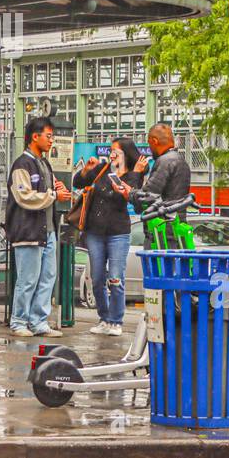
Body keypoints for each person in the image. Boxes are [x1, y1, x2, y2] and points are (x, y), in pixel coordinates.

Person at [5, 116, 72, 337]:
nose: (52, 141)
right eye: (49, 136)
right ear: (35, 137)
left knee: (47, 278)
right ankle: (19, 321)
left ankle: (38, 321)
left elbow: (43, 192)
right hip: (28, 232)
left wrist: (54, 189)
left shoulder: (44, 163)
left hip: (48, 230)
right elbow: (24, 196)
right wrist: (53, 194)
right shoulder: (21, 165)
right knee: (27, 279)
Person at [73, 138, 144, 337]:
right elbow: (78, 183)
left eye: (116, 151)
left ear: (125, 154)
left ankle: (116, 321)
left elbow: (132, 198)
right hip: (95, 231)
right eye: (111, 151)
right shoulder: (103, 169)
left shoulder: (132, 175)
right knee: (96, 278)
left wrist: (134, 175)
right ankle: (103, 318)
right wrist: (87, 170)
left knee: (115, 278)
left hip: (118, 232)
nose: (112, 154)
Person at [113, 122, 189, 210]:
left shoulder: (164, 161)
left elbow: (148, 197)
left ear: (154, 141)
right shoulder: (181, 160)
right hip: (176, 219)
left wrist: (130, 192)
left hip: (163, 221)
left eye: (149, 143)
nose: (150, 148)